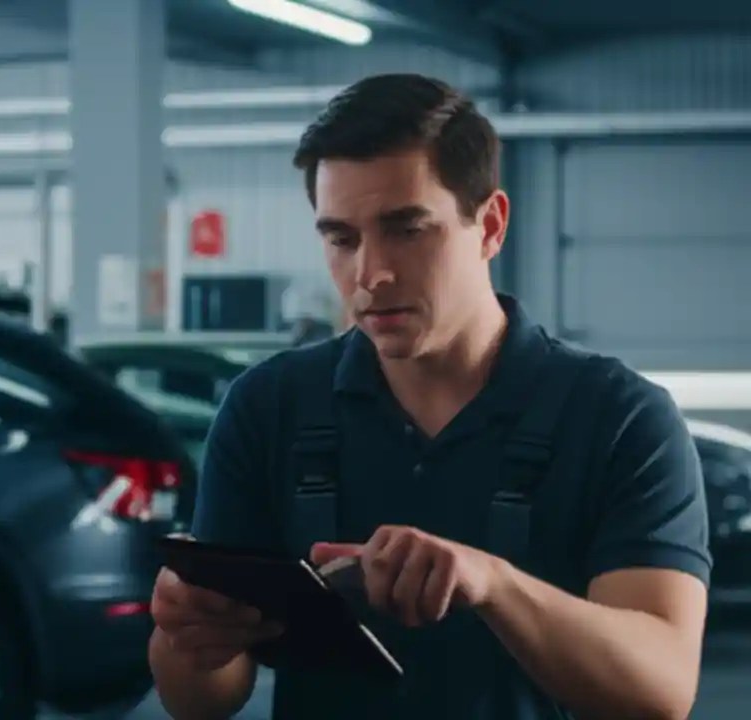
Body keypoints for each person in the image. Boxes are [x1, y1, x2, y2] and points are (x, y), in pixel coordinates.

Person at [148, 74, 710, 719]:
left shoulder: (619, 418)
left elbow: (660, 689)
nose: (371, 274)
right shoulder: (268, 408)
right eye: (342, 238)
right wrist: (186, 639)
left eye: (406, 229)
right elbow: (202, 704)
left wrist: (492, 585)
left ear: (490, 225)